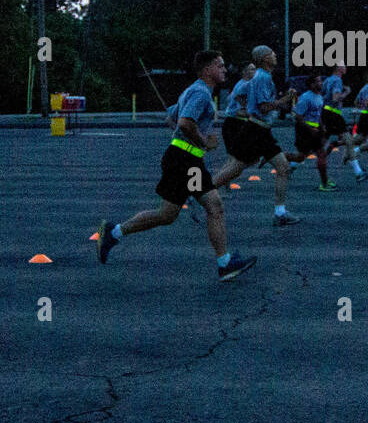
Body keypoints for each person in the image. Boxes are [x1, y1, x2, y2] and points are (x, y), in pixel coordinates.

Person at [96, 50, 257, 282]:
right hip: (185, 160)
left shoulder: (193, 91)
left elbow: (170, 117)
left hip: (182, 157)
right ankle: (225, 263)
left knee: (167, 214)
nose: (224, 70)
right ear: (208, 69)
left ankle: (113, 232)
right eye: (220, 66)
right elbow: (183, 122)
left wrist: (191, 141)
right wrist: (204, 141)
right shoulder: (201, 94)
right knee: (215, 206)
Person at [211, 45, 301, 225]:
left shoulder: (262, 77)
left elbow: (246, 98)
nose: (275, 55)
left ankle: (280, 213)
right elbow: (264, 107)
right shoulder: (262, 78)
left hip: (260, 129)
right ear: (264, 59)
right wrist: (285, 99)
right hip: (256, 131)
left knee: (281, 167)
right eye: (271, 53)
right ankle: (198, 192)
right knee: (235, 169)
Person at [321, 64, 368, 183]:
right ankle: (358, 172)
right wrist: (347, 92)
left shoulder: (328, 80)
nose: (346, 67)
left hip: (327, 113)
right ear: (338, 68)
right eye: (343, 65)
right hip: (334, 113)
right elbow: (335, 99)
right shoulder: (337, 80)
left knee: (323, 142)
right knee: (349, 141)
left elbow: (324, 96)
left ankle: (294, 162)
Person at [292, 74, 336, 191]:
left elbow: (318, 115)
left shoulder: (319, 97)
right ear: (311, 85)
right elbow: (299, 117)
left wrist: (322, 127)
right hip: (305, 131)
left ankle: (325, 182)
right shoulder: (305, 98)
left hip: (315, 130)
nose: (320, 83)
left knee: (316, 155)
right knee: (301, 157)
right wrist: (310, 129)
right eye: (318, 81)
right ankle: (278, 158)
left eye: (321, 81)